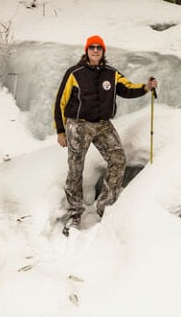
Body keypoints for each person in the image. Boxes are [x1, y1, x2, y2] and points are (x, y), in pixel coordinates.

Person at [53, 35, 158, 235]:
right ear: (86, 50)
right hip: (79, 125)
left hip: (102, 125)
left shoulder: (111, 73)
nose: (95, 51)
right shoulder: (75, 73)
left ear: (103, 51)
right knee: (76, 169)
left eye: (98, 48)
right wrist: (60, 130)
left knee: (118, 159)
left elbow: (127, 89)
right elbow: (60, 102)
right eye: (91, 47)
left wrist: (145, 88)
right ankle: (75, 214)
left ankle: (105, 206)